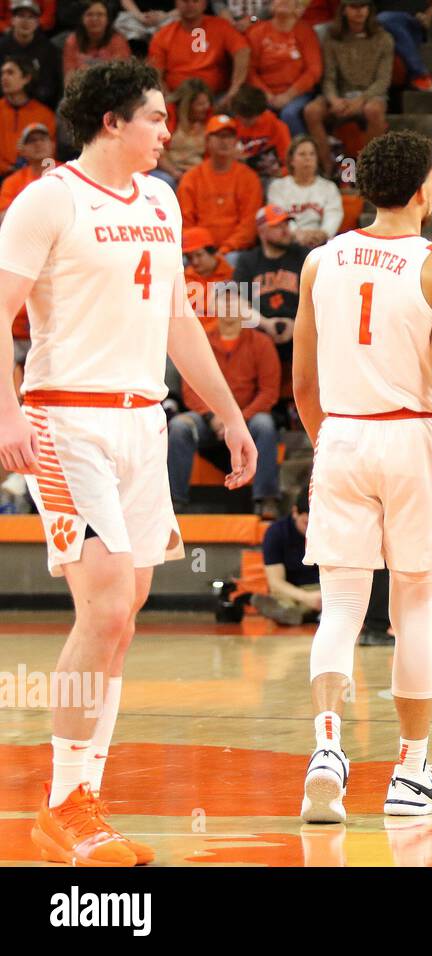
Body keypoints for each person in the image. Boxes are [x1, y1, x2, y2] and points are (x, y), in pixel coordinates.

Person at [0, 59, 256, 867]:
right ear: (111, 121)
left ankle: (88, 800)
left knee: (125, 614)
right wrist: (7, 410)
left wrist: (227, 410)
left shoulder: (161, 200)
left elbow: (179, 317)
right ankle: (63, 803)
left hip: (143, 423)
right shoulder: (48, 199)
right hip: (64, 419)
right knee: (106, 606)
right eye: (154, 116)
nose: (167, 130)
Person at [292, 129, 432, 821]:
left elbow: (303, 384)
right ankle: (410, 775)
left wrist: (337, 443)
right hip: (413, 441)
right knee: (412, 615)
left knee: (340, 608)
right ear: (425, 188)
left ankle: (325, 750)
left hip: (342, 433)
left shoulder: (321, 261)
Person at [167, 297, 281, 516]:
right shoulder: (202, 339)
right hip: (208, 418)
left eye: (234, 300)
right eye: (223, 300)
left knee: (265, 424)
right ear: (214, 308)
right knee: (181, 425)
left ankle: (267, 499)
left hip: (247, 419)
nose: (228, 306)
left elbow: (269, 392)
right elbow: (190, 386)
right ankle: (174, 501)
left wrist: (236, 419)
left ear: (247, 310)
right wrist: (213, 416)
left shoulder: (261, 343)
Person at [304, 0, 392, 176]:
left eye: (363, 7)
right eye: (354, 7)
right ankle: (327, 168)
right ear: (344, 10)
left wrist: (361, 100)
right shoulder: (332, 37)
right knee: (311, 111)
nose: (359, 12)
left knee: (373, 110)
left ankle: (365, 169)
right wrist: (334, 99)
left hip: (370, 95)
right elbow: (328, 77)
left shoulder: (383, 38)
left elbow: (383, 81)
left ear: (369, 10)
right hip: (340, 93)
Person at [176, 113, 264, 256]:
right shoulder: (191, 178)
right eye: (218, 135)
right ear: (207, 141)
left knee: (234, 260)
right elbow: (185, 224)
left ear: (236, 141)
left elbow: (249, 226)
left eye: (229, 136)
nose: (224, 141)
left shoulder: (249, 178)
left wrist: (225, 250)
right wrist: (201, 252)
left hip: (234, 252)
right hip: (198, 253)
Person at [234, 203, 307, 366]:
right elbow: (238, 302)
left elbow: (318, 299)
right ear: (262, 232)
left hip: (301, 331)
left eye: (287, 224)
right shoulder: (248, 260)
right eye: (277, 226)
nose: (286, 230)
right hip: (261, 332)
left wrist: (297, 325)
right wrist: (266, 324)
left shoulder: (303, 254)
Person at [148, 0, 250, 106]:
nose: (190, 4)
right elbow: (155, 74)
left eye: (195, 1)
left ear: (205, 4)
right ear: (176, 4)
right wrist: (165, 97)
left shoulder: (221, 26)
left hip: (217, 99)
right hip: (176, 100)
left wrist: (235, 89)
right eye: (185, 1)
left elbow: (242, 51)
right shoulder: (162, 35)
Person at [245, 0, 323, 136]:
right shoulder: (257, 32)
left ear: (297, 7)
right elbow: (250, 71)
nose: (284, 1)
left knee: (289, 113)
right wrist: (266, 95)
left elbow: (314, 71)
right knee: (253, 111)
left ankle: (302, 151)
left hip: (298, 94)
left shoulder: (305, 31)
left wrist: (288, 95)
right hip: (265, 94)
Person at [253, 486, 321, 625]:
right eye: (306, 523)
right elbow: (275, 582)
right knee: (280, 597)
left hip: (321, 589)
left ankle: (298, 614)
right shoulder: (276, 533)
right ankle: (301, 613)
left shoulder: (328, 529)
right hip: (292, 591)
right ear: (295, 512)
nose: (310, 530)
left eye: (315, 524)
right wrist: (306, 597)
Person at [267, 135, 343, 247]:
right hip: (288, 243)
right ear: (291, 160)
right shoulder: (278, 187)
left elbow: (334, 214)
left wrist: (323, 233)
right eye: (302, 154)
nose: (308, 158)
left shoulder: (329, 187)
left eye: (312, 154)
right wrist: (298, 234)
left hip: (322, 243)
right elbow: (278, 217)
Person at [0, 54, 54, 177]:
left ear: (26, 78)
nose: (4, 78)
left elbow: (49, 154)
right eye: (2, 73)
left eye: (10, 73)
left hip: (34, 177)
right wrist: (8, 168)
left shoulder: (45, 114)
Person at [0, 0, 60, 109]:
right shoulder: (2, 47)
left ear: (37, 22)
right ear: (12, 20)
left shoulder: (48, 49)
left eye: (31, 17)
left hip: (38, 106)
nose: (25, 21)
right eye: (21, 16)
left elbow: (50, 86)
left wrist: (26, 100)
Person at [374, 0, 432, 93]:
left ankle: (420, 75)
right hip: (384, 27)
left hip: (413, 21)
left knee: (383, 19)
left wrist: (428, 15)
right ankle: (420, 76)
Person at [154, 76, 210, 187]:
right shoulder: (167, 116)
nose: (206, 107)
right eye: (200, 104)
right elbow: (158, 152)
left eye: (207, 102)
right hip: (169, 170)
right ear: (187, 105)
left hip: (199, 172)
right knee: (167, 181)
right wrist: (174, 172)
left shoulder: (210, 118)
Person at [181, 225, 236, 331]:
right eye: (189, 257)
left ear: (212, 252)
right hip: (195, 336)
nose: (195, 262)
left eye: (199, 255)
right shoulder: (184, 280)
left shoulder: (232, 275)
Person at [231, 84, 291, 180]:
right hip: (239, 175)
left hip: (269, 177)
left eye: (249, 118)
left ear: (260, 113)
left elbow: (289, 164)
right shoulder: (232, 123)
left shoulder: (277, 127)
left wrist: (279, 173)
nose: (243, 121)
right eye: (239, 116)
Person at [63, 0, 133, 79]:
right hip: (81, 88)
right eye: (89, 14)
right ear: (81, 19)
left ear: (108, 19)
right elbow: (69, 78)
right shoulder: (72, 41)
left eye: (100, 14)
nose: (95, 19)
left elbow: (123, 74)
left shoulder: (118, 40)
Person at [0, 120, 51, 213]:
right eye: (32, 140)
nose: (38, 144)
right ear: (22, 150)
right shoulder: (12, 182)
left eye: (43, 139)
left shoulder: (69, 171)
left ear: (52, 145)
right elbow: (3, 217)